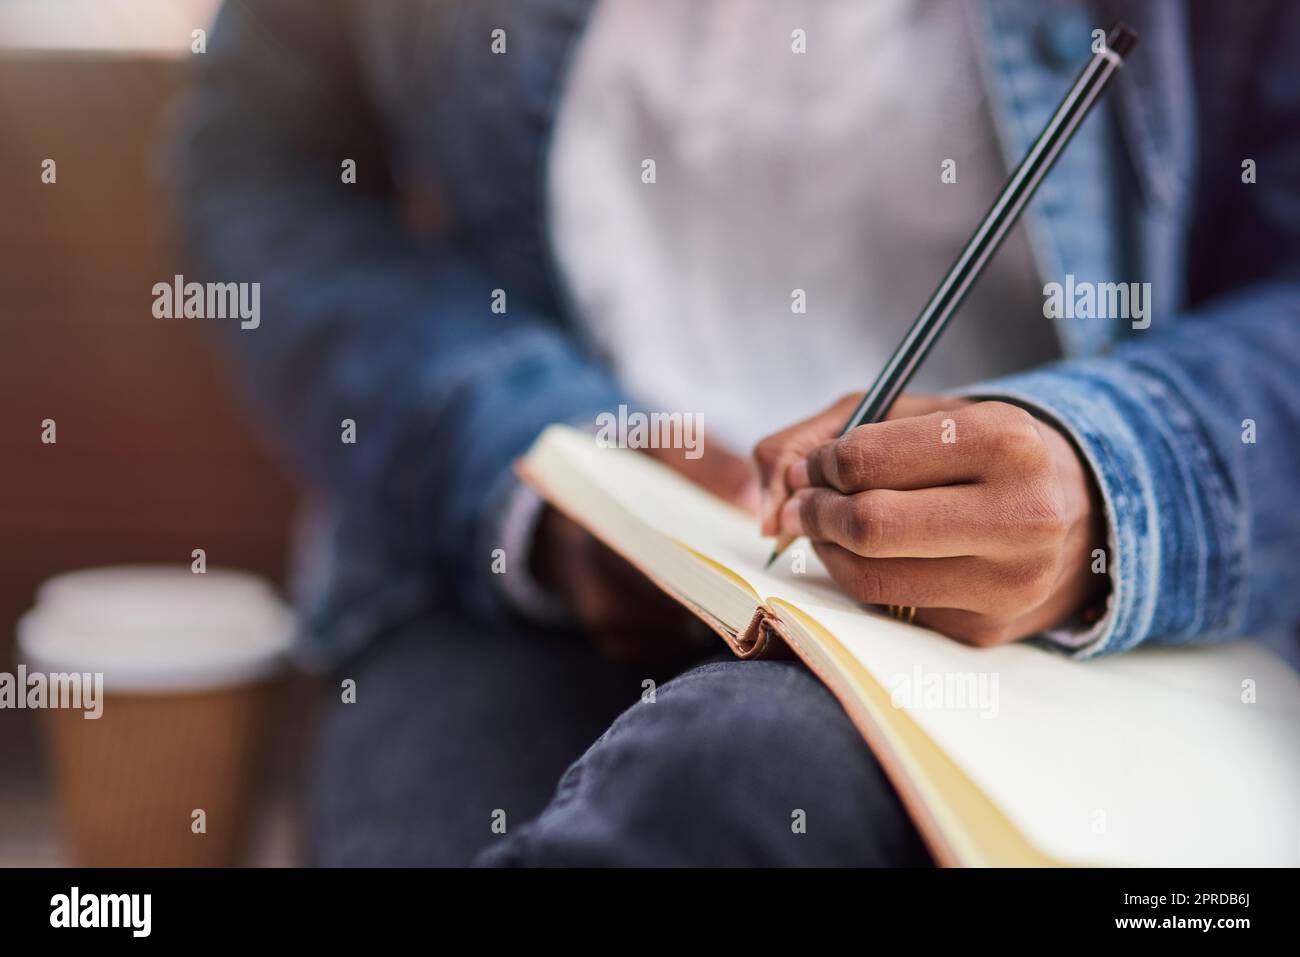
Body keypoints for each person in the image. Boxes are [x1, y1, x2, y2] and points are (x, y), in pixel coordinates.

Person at [176, 0, 1300, 866]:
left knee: (741, 771)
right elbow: (260, 164)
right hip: (506, 578)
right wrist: (525, 453)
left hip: (1058, 652)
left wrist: (1111, 483)